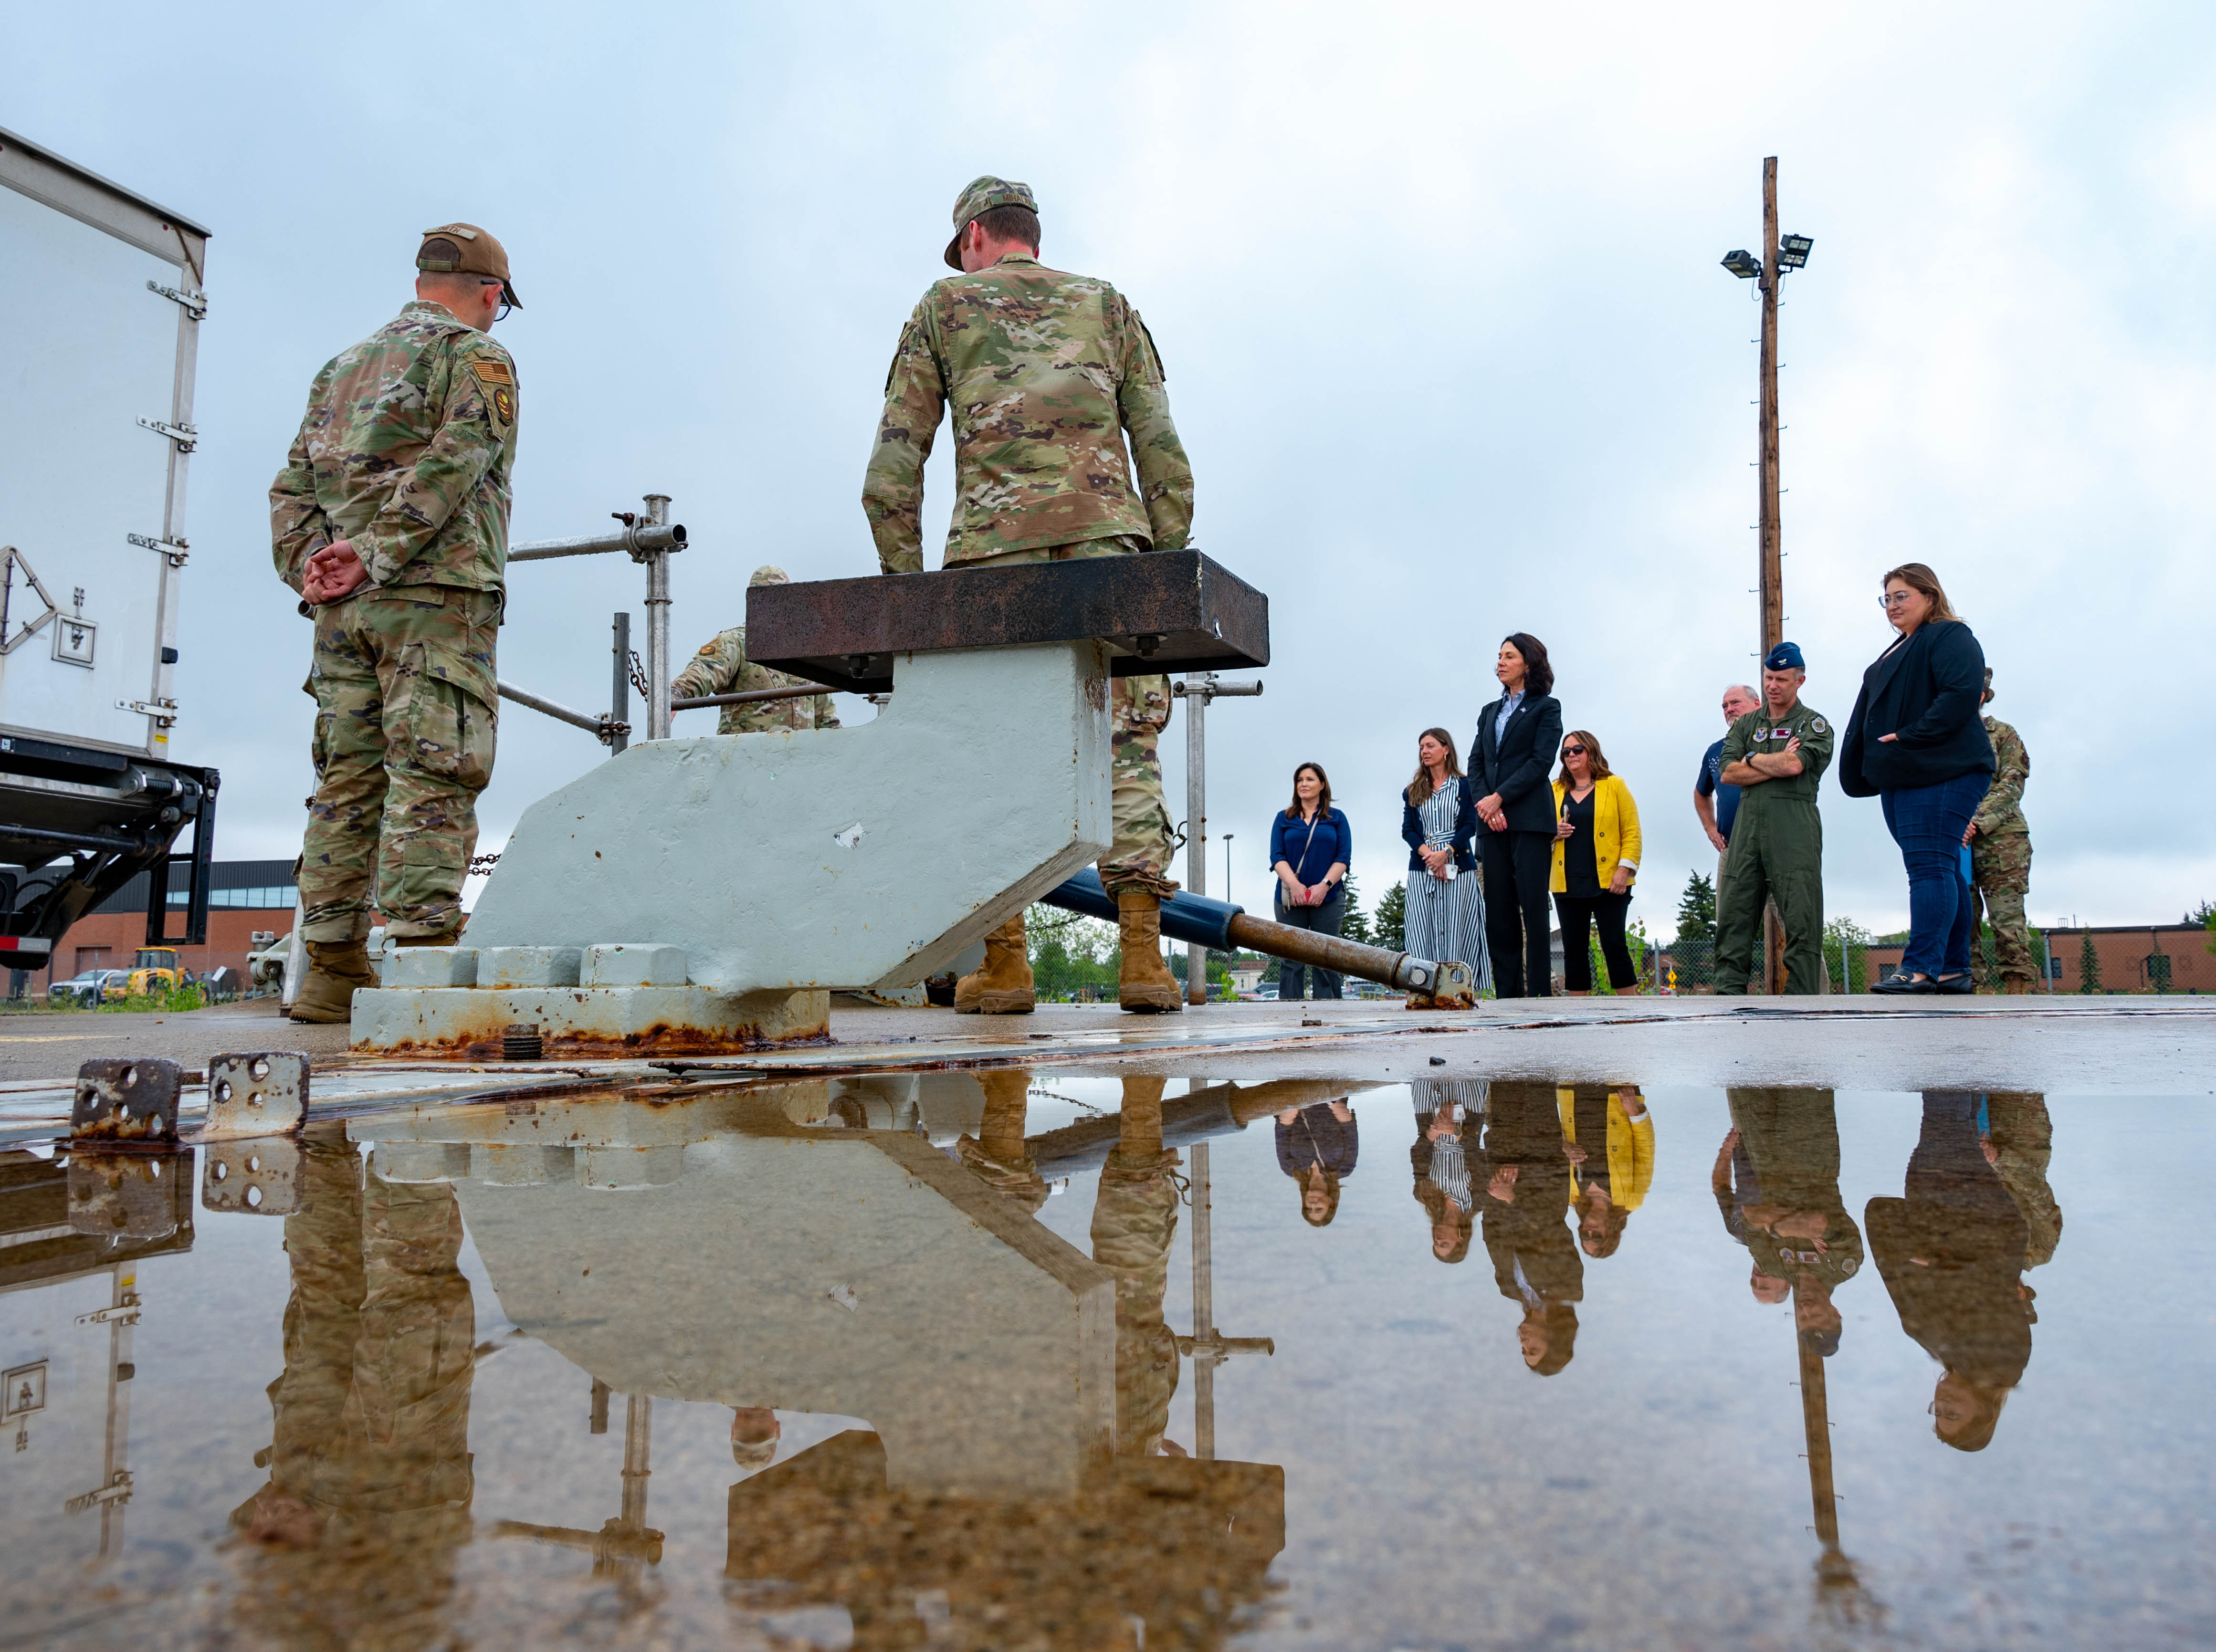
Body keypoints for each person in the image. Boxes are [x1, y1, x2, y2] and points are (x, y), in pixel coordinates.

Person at [863, 177, 1194, 1016]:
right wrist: (1160, 569)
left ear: (975, 236)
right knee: (1126, 743)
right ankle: (1142, 961)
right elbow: (1160, 447)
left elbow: (892, 468)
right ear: (1031, 237)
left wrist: (909, 596)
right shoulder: (1107, 305)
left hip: (990, 560)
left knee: (993, 753)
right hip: (1109, 552)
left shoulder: (942, 307)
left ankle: (1006, 963)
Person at [270, 224, 522, 1023]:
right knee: (432, 770)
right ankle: (420, 967)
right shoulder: (475, 356)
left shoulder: (339, 369)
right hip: (433, 600)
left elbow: (292, 485)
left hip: (342, 613)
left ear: (420, 283)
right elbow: (458, 460)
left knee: (345, 781)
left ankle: (330, 971)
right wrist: (376, 553)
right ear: (490, 293)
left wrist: (312, 565)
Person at [1838, 564, 1995, 994]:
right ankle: (1951, 969)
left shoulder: (1949, 635)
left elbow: (1960, 694)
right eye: (1887, 598)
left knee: (1928, 866)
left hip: (1943, 768)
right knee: (1940, 865)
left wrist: (1910, 735)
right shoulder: (1898, 646)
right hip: (1901, 773)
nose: (1892, 606)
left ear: (1929, 596)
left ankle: (1920, 968)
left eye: (1901, 596)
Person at [1866, 1092, 2038, 1451]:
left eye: (1938, 1412)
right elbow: (1991, 1291)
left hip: (1933, 1207)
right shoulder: (2002, 1364)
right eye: (1953, 1413)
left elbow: (1893, 1270)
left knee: (1954, 1123)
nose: (1941, 1403)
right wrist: (1935, 1264)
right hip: (1973, 1216)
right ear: (1983, 1412)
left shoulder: (1938, 1347)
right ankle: (1948, 1060)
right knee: (1945, 1119)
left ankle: (1959, 1062)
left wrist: (1907, 1242)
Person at [1712, 642, 1835, 995]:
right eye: (1768, 678)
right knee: (1734, 916)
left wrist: (1751, 759)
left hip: (1793, 827)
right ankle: (1728, 997)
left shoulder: (1813, 724)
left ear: (1800, 681)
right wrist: (1770, 761)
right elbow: (1728, 773)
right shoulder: (1747, 724)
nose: (1772, 686)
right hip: (1746, 829)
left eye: (1781, 679)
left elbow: (1795, 765)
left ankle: (1802, 1001)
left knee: (1801, 918)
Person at [1712, 1088, 1863, 1355]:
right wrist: (1781, 1227)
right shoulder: (1845, 1265)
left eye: (1803, 1318)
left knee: (1747, 1078)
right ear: (1835, 1313)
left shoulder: (1773, 1265)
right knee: (1803, 1073)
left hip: (1761, 1151)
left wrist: (1777, 1227)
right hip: (1811, 1150)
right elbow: (1820, 1223)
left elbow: (1750, 1213)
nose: (1806, 1309)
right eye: (1817, 1316)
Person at [1471, 635, 1563, 998]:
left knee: (1534, 910)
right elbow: (1477, 763)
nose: (1500, 662)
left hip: (1529, 821)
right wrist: (1486, 804)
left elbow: (1541, 762)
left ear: (1528, 663)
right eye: (1499, 656)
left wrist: (1500, 799)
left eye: (1509, 656)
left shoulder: (1546, 708)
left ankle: (1539, 995)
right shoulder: (1488, 712)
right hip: (1491, 824)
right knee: (1499, 913)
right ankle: (1507, 996)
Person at [1478, 1081, 1583, 1375]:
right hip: (1542, 1165)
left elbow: (1492, 1234)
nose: (1523, 1344)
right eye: (1533, 1349)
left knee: (1504, 1077)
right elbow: (1551, 1229)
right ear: (1554, 1339)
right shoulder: (1568, 1288)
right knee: (1537, 1079)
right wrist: (1513, 1197)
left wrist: (1497, 1188)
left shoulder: (1508, 1288)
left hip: (1503, 1165)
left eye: (1523, 1351)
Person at [670, 566, 841, 733]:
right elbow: (702, 673)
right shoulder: (735, 642)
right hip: (746, 751)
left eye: (781, 598)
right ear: (753, 601)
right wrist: (674, 696)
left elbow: (827, 720)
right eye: (765, 598)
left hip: (801, 752)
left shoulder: (804, 651)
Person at [1400, 729, 1491, 1006]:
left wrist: (1447, 853)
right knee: (1421, 927)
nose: (1425, 751)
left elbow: (1470, 824)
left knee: (1460, 926)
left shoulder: (1465, 786)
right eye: (1421, 747)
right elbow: (1408, 830)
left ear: (1446, 749)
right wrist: (1430, 855)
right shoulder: (1413, 790)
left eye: (1430, 746)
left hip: (1458, 866)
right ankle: (1421, 989)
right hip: (1423, 867)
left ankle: (1458, 990)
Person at [1549, 731, 1643, 994]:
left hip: (1610, 881)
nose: (1571, 755)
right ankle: (1579, 1013)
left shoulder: (1615, 785)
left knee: (1615, 946)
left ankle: (1629, 1010)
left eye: (1577, 749)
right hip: (1567, 882)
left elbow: (1632, 832)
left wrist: (1624, 870)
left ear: (1591, 751)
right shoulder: (1554, 790)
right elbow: (1538, 833)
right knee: (1573, 950)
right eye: (1565, 752)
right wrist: (1553, 832)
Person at [1968, 669, 2036, 993]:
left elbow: (2012, 785)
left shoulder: (2003, 734)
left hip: (2002, 841)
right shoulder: (1942, 737)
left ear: (1981, 696)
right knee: (1962, 921)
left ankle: (2016, 990)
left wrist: (1975, 822)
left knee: (2007, 920)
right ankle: (1967, 991)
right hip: (1957, 841)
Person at [1270, 763, 1352, 1000]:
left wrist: (1324, 886)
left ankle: (1329, 1013)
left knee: (1326, 958)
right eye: (1300, 780)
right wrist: (1295, 886)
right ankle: (1290, 1013)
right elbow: (1277, 857)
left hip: (1329, 898)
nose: (1304, 784)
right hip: (1290, 899)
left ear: (1322, 785)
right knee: (1291, 960)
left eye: (1310, 779)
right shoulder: (1284, 818)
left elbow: (1343, 858)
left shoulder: (1337, 818)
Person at [1557, 1085, 1653, 1257]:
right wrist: (1635, 1113)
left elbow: (1547, 1151)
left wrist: (1563, 1149)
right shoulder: (1632, 1200)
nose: (1590, 1231)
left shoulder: (1571, 1197)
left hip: (1573, 1093)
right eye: (1597, 1237)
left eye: (1585, 1235)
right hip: (1618, 1100)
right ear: (1611, 1233)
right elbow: (1645, 1151)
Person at [1410, 1079, 1486, 1263]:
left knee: (1423, 1072)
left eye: (1436, 1242)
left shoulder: (1424, 1197)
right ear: (1460, 1240)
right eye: (1444, 1243)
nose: (1438, 1239)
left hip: (1430, 1122)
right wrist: (1456, 1132)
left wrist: (1432, 1135)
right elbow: (1479, 1159)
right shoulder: (1478, 1201)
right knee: (1466, 1069)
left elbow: (1418, 1156)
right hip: (1467, 1121)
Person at [1696, 683, 1763, 886]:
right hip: (1732, 847)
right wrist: (1711, 829)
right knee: (1729, 907)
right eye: (1725, 706)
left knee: (1780, 906)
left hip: (1774, 845)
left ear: (1757, 704)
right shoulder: (1716, 751)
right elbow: (1701, 793)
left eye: (1735, 703)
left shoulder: (1772, 741)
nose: (1729, 710)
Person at [1277, 1098, 1358, 1226]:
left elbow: (1282, 1128)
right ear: (1331, 1203)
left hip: (1292, 1100)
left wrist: (1294, 1100)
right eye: (1319, 1209)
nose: (1313, 1205)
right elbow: (1348, 1125)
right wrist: (1328, 1099)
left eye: (1308, 1208)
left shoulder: (1290, 1169)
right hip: (1331, 1097)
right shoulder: (1345, 1168)